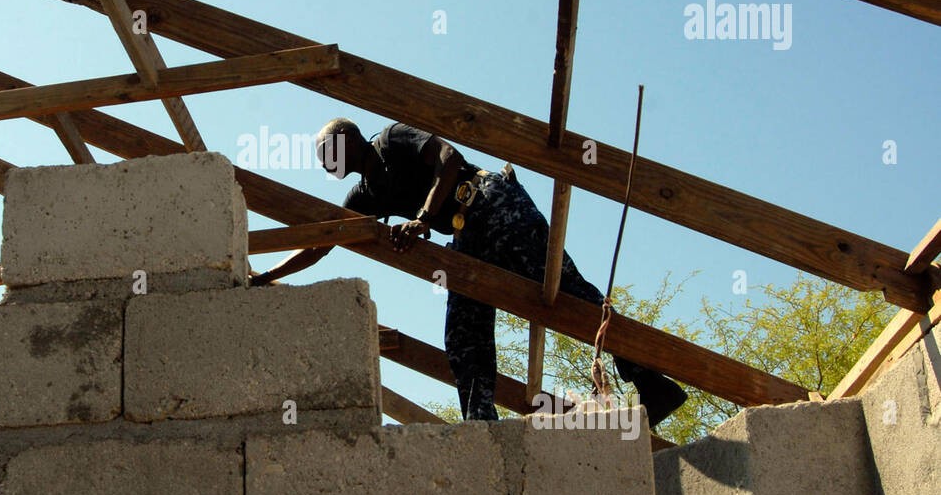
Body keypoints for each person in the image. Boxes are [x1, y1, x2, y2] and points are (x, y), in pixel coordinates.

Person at [249, 118, 687, 426]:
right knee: (463, 335)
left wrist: (422, 218)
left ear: (347, 141)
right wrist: (266, 276)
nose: (327, 164)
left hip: (489, 200)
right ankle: (482, 426)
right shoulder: (365, 194)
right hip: (465, 238)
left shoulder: (391, 139)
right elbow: (321, 244)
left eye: (328, 153)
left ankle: (649, 380)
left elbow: (450, 157)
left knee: (567, 293)